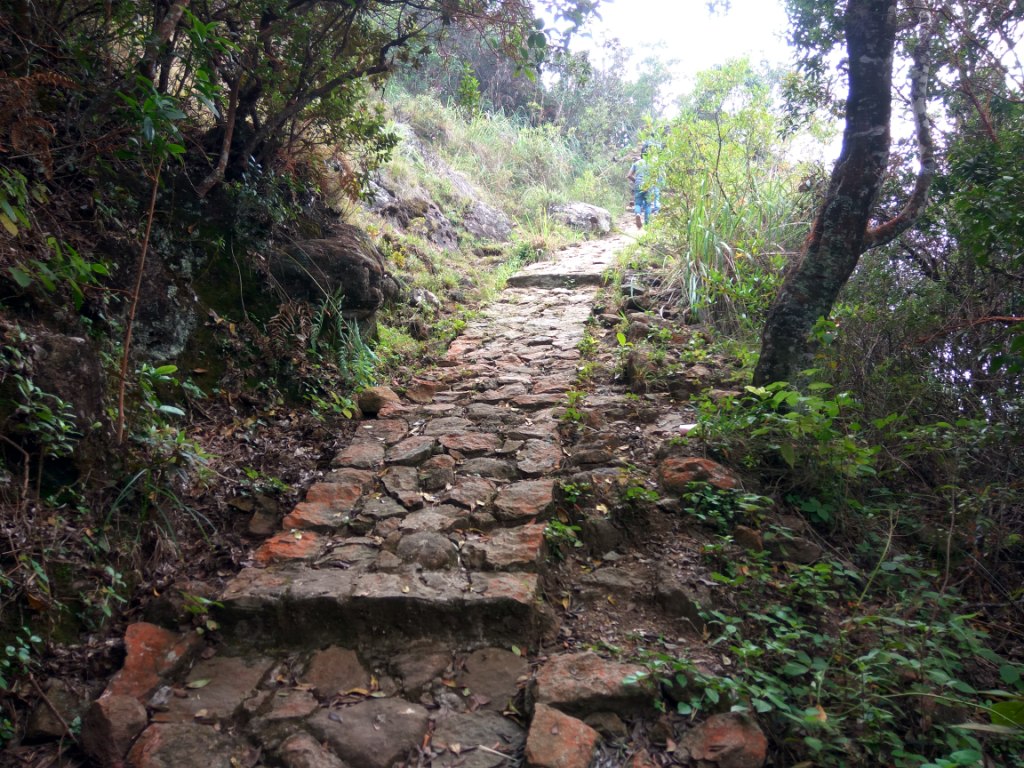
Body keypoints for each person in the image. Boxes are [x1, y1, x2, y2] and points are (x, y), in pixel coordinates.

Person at [627, 142, 659, 229]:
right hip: (648, 185)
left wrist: (636, 180)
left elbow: (629, 175)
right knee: (648, 205)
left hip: (638, 185)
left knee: (637, 203)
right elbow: (655, 176)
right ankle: (647, 224)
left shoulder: (637, 163)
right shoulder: (652, 163)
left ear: (641, 154)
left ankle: (637, 214)